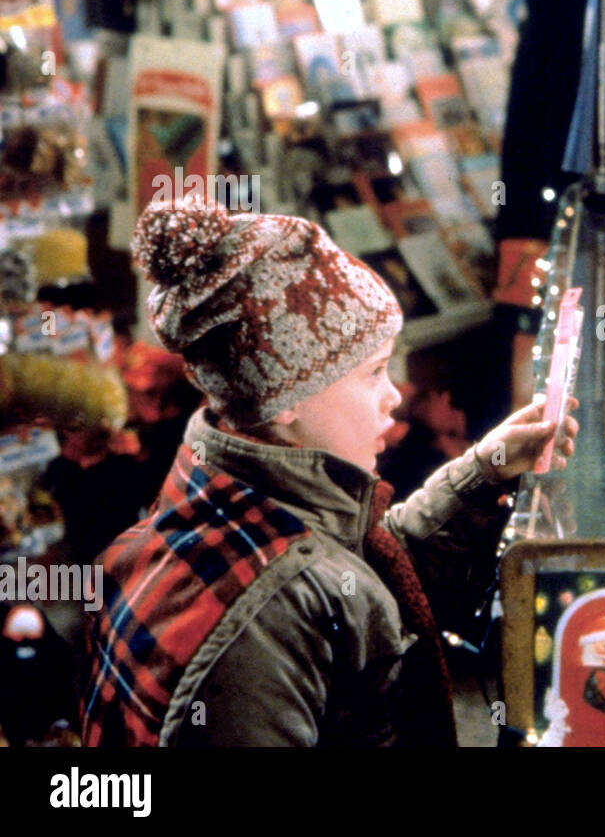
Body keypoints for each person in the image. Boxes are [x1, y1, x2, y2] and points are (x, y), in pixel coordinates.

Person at [81, 198, 578, 746]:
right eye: (373, 372)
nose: (393, 397)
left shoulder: (222, 497)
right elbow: (323, 594)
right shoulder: (262, 622)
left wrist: (487, 470)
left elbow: (361, 573)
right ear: (287, 398)